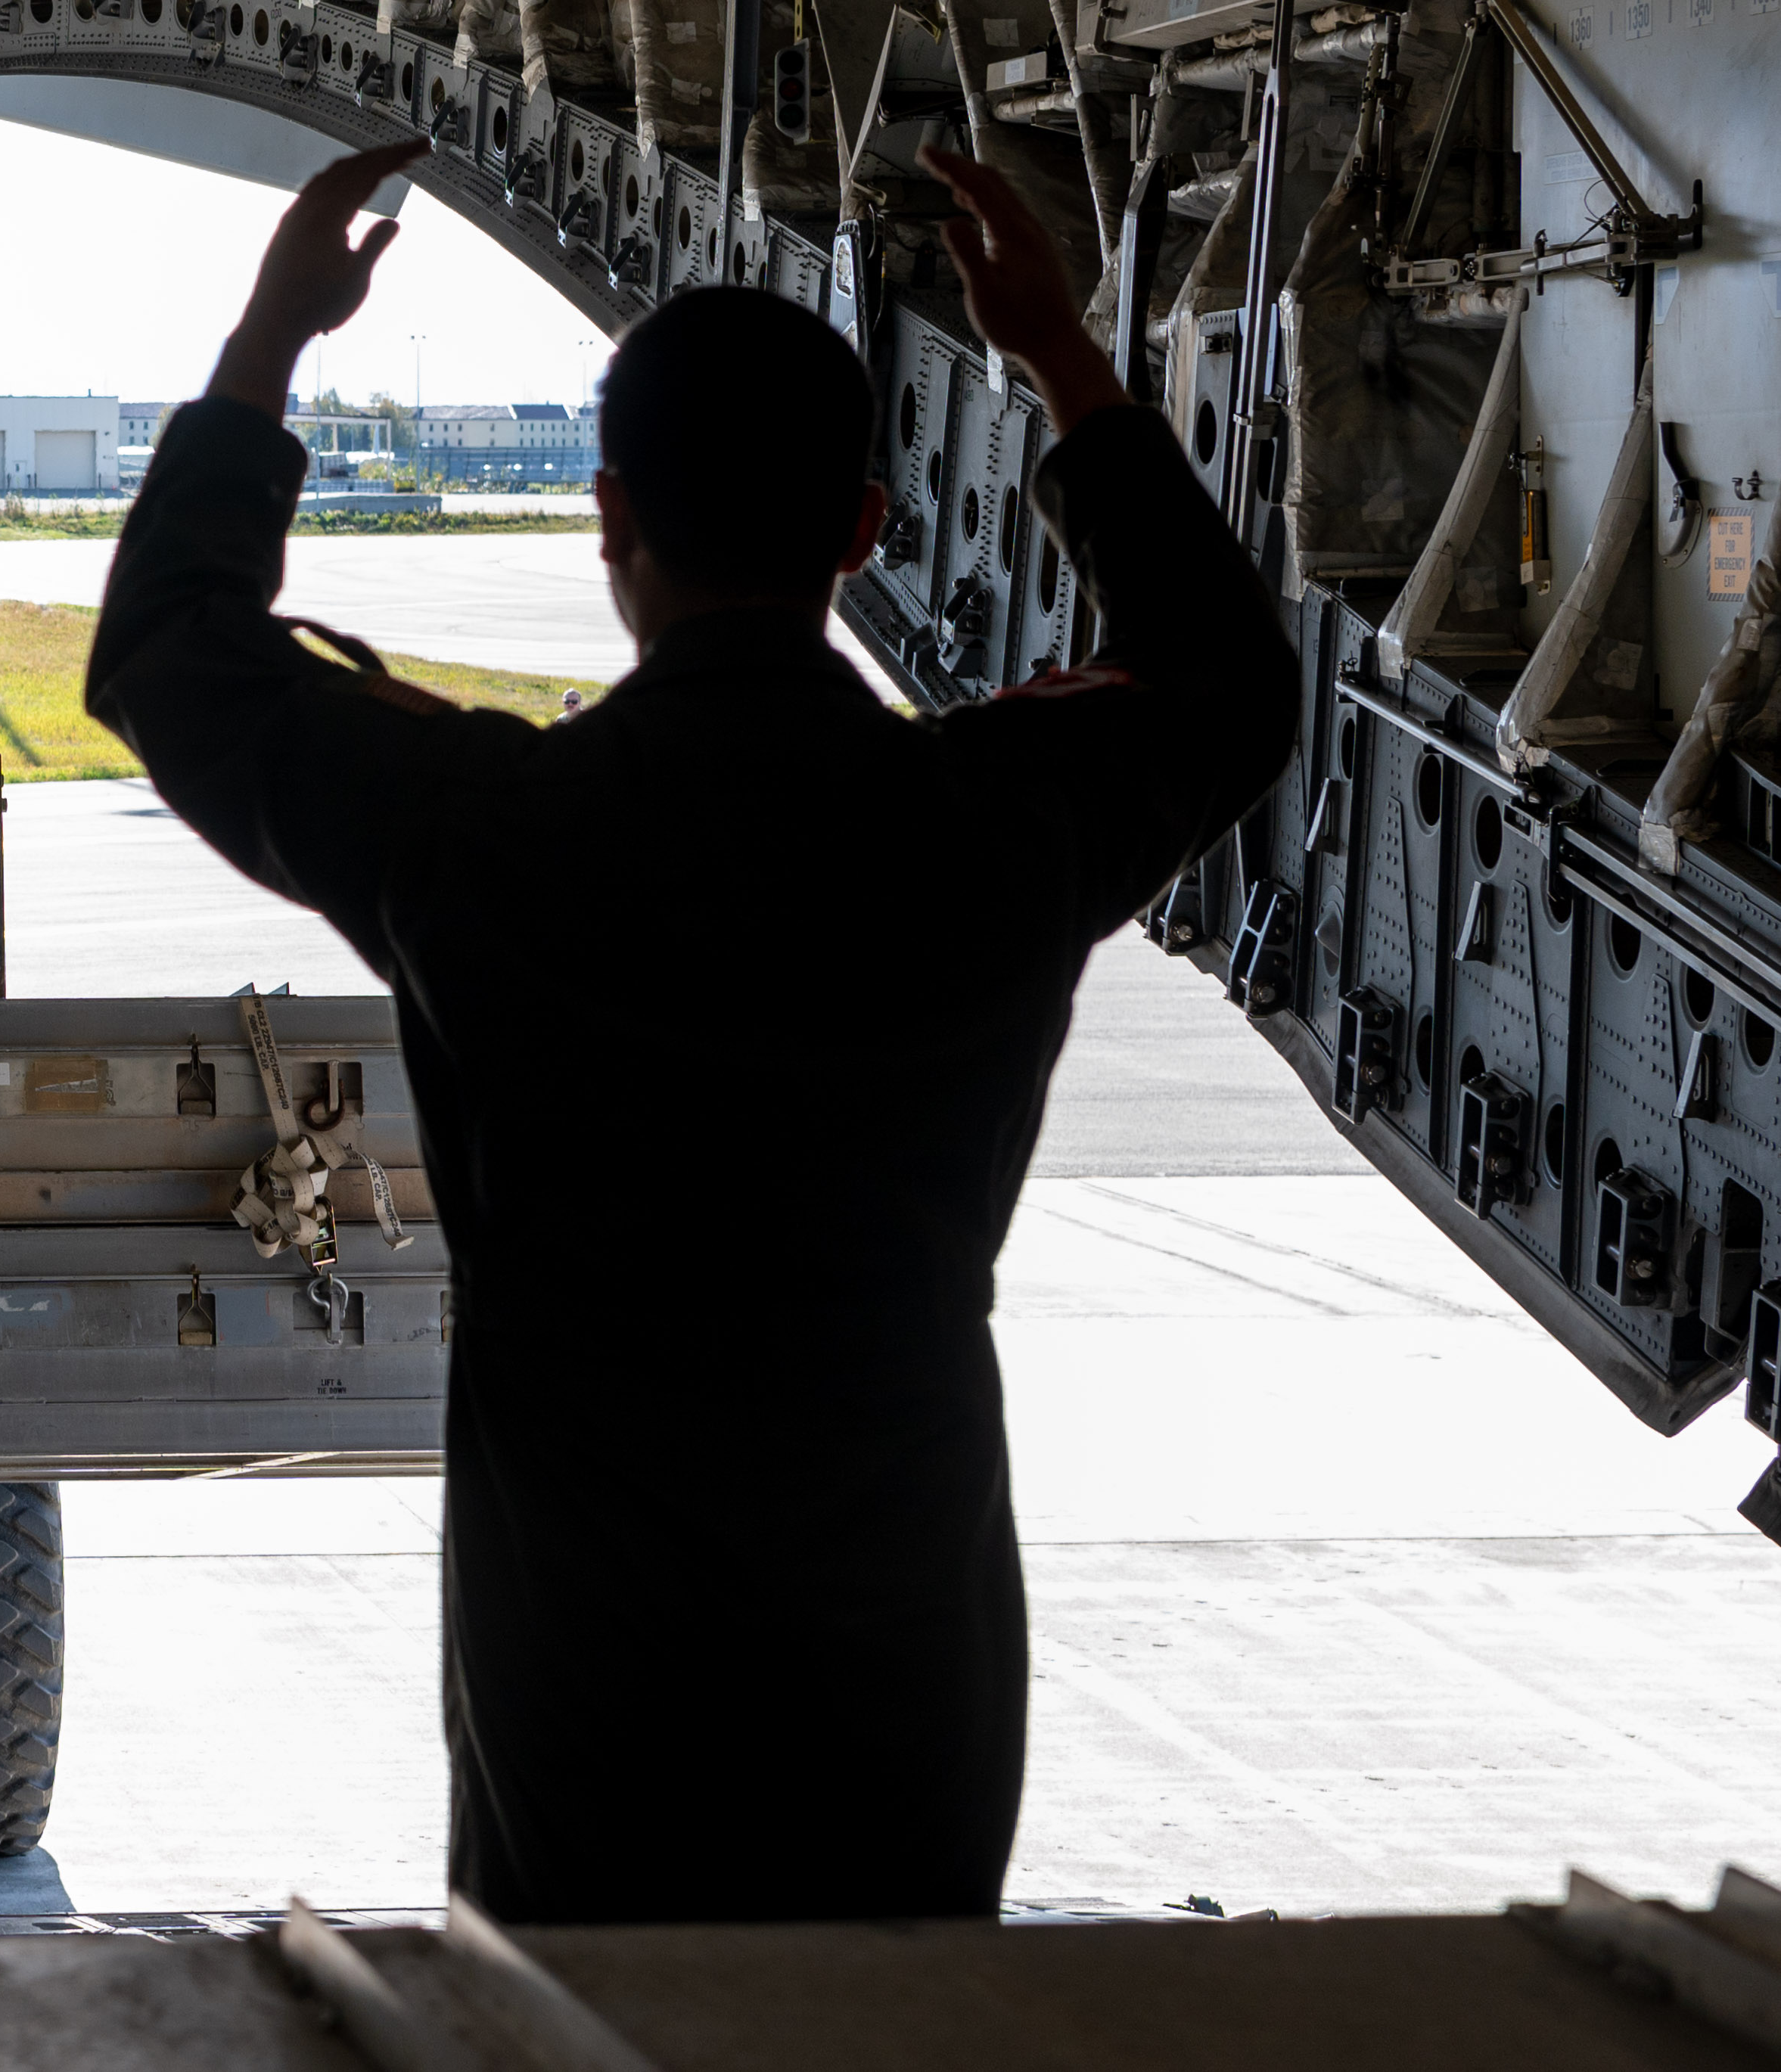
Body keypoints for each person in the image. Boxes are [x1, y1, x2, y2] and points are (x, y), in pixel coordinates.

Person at [86, 140, 1295, 1925]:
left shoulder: (481, 831)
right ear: (863, 533)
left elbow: (169, 651)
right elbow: (1231, 684)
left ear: (610, 520)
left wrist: (272, 342)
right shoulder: (999, 820)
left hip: (584, 1657)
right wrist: (1063, 362)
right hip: (903, 1648)